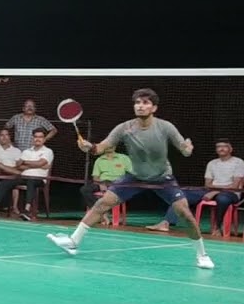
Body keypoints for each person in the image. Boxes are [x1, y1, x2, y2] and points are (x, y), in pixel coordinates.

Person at [47, 88, 213, 269]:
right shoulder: (124, 127)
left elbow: (184, 149)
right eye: (137, 103)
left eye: (145, 103)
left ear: (154, 108)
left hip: (162, 177)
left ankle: (202, 254)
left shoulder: (165, 127)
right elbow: (102, 147)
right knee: (102, 203)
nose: (140, 106)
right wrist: (89, 147)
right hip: (134, 176)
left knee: (185, 214)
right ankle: (73, 241)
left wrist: (187, 148)